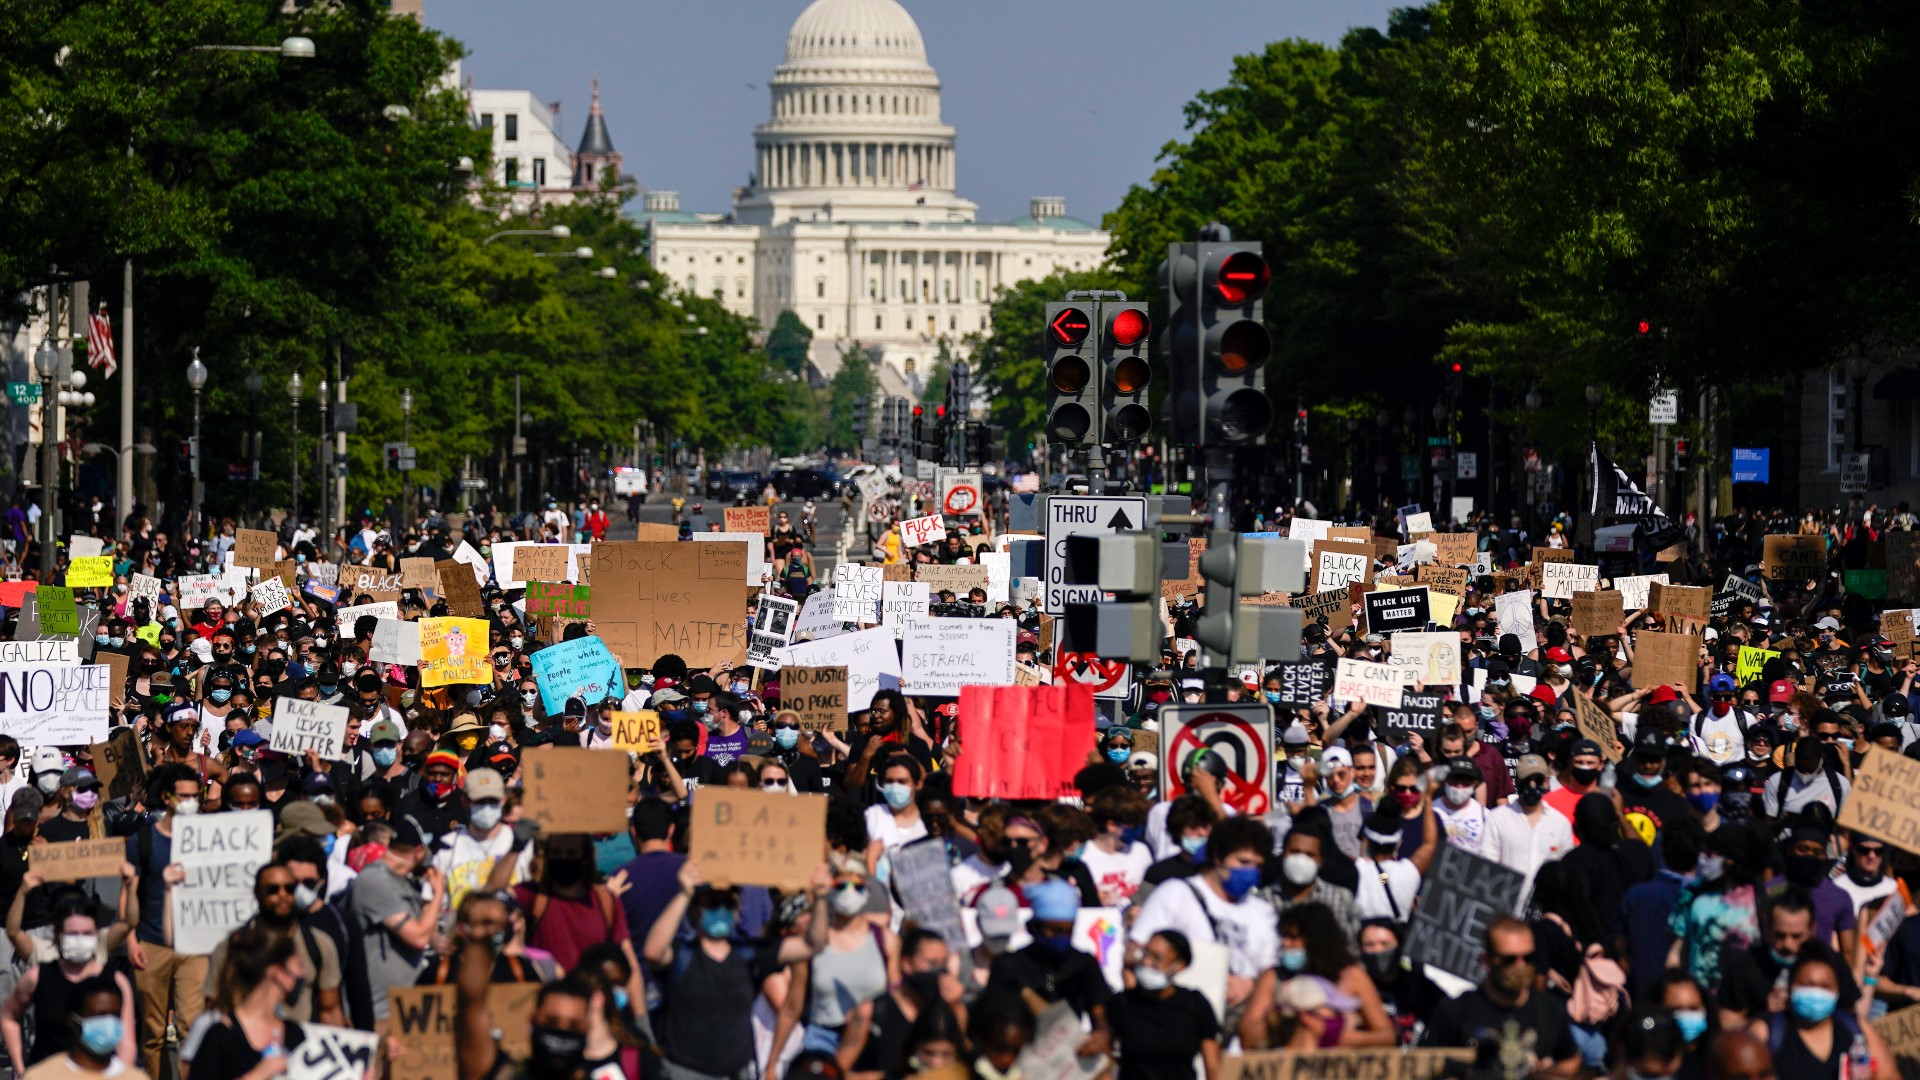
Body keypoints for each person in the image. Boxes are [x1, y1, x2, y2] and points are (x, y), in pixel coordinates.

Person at [1130, 816, 1276, 1019]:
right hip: (1180, 1017)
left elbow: (1269, 970)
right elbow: (1134, 953)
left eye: (1257, 866)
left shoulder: (1262, 911)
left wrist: (1249, 985)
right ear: (1217, 858)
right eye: (1243, 862)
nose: (1250, 872)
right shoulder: (1175, 894)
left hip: (1239, 1018)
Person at [1422, 917, 1582, 1077]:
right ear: (1487, 960)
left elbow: (1571, 1059)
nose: (1521, 966)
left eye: (1529, 958)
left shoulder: (1549, 1010)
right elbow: (1427, 1067)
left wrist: (1548, 1074)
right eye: (1509, 960)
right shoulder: (1456, 1011)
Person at [0, 898, 137, 1069]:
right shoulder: (37, 977)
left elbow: (127, 1040)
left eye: (87, 933)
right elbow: (9, 1016)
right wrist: (20, 1068)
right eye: (72, 934)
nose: (80, 939)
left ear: (97, 935)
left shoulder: (116, 981)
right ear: (57, 935)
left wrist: (121, 1073)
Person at [346, 818, 443, 1031]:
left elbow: (433, 939)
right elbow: (418, 938)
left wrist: (428, 898)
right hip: (380, 1012)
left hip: (409, 1007)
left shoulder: (406, 881)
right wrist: (438, 894)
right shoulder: (375, 880)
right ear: (419, 852)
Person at [189, 924, 308, 1080]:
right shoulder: (221, 1036)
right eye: (298, 965)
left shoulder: (295, 1034)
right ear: (278, 973)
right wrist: (260, 1074)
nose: (302, 973)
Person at [1106, 931, 1221, 1080]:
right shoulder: (1122, 1002)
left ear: (1179, 965)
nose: (1147, 962)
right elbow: (1102, 1057)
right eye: (1145, 953)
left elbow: (1213, 1067)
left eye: (1157, 958)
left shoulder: (1195, 1004)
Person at [1767, 953, 1895, 1079]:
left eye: (1825, 987)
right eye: (1807, 985)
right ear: (1790, 986)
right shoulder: (1768, 1032)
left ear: (1838, 990)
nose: (1816, 994)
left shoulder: (1856, 1028)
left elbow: (1889, 1075)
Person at [19, 974, 148, 1080]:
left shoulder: (135, 1077)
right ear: (73, 1020)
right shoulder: (41, 1076)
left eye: (114, 1015)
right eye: (99, 1015)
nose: (108, 1022)